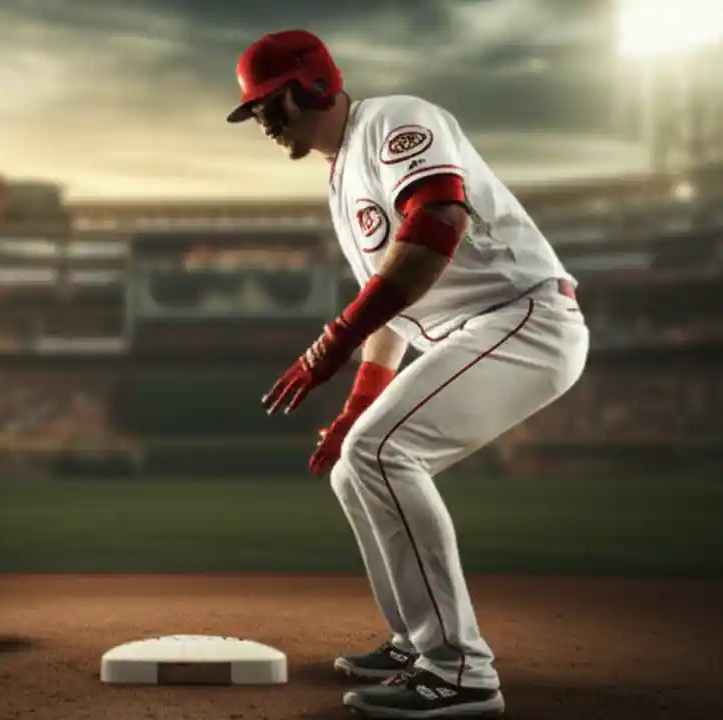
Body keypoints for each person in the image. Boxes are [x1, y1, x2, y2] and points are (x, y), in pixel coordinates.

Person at [230, 31, 589, 717]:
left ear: (315, 85)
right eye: (254, 112)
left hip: (526, 315)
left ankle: (460, 671)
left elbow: (438, 222)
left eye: (271, 104)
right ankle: (415, 644)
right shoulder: (341, 174)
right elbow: (394, 300)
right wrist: (354, 406)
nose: (264, 122)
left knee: (383, 452)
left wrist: (333, 342)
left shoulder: (394, 120)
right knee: (354, 462)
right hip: (477, 330)